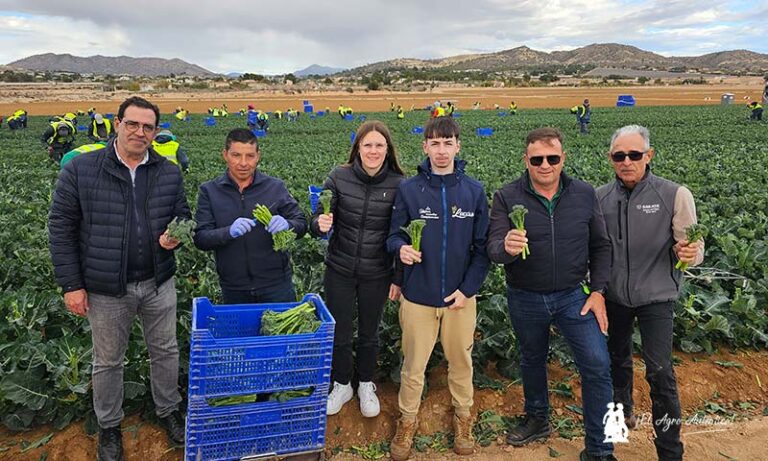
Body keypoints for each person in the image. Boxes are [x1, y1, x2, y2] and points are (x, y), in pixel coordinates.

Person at [48, 96, 190, 461]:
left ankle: (168, 410)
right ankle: (109, 425)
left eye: (148, 127)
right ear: (117, 124)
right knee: (109, 360)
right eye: (133, 124)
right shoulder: (82, 169)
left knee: (165, 350)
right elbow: (61, 228)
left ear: (155, 132)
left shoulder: (168, 171)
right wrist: (71, 284)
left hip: (158, 281)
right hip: (106, 287)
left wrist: (176, 234)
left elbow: (182, 214)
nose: (140, 132)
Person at [487, 127, 615, 461]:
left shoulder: (584, 193)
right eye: (537, 159)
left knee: (597, 364)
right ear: (525, 160)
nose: (545, 165)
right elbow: (493, 248)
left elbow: (601, 246)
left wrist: (598, 291)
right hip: (525, 295)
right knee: (532, 358)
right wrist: (506, 247)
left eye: (552, 158)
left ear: (563, 159)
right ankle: (538, 418)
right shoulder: (506, 196)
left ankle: (601, 448)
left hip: (574, 295)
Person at [597, 125, 704, 461]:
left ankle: (670, 450)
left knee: (659, 371)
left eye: (634, 154)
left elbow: (693, 245)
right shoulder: (600, 198)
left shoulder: (674, 194)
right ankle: (620, 421)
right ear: (611, 158)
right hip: (614, 296)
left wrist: (690, 252)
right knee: (616, 362)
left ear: (649, 156)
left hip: (657, 296)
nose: (627, 161)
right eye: (619, 156)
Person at [386, 117, 490, 460]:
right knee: (413, 366)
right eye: (435, 143)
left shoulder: (474, 191)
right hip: (418, 296)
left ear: (458, 146)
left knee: (461, 362)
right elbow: (393, 235)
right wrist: (401, 249)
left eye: (448, 143)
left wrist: (468, 289)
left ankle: (463, 418)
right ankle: (407, 420)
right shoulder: (409, 189)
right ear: (425, 146)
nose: (441, 150)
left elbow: (482, 249)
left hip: (460, 299)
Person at [310, 120, 405, 418]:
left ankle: (365, 383)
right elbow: (317, 218)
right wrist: (319, 223)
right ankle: (342, 384)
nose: (373, 151)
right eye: (368, 145)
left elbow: (401, 234)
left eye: (379, 145)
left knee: (369, 331)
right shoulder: (339, 177)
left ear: (387, 149)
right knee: (339, 329)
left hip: (377, 272)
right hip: (340, 267)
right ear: (358, 148)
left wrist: (398, 276)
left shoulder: (400, 184)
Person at [194, 128, 307, 304]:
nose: (243, 163)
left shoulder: (275, 187)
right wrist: (228, 232)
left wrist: (288, 225)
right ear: (225, 155)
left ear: (258, 156)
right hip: (234, 287)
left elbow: (301, 224)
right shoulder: (209, 191)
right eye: (236, 155)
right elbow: (201, 238)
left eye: (250, 156)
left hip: (276, 284)